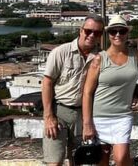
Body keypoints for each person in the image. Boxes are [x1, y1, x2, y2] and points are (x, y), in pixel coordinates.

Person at [42, 14, 104, 166]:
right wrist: (49, 116)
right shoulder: (61, 52)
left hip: (83, 114)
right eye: (88, 31)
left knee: (80, 159)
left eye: (97, 33)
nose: (91, 35)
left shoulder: (100, 57)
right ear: (80, 30)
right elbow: (47, 83)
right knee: (54, 160)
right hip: (60, 111)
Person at [82, 15, 138, 166]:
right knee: (102, 161)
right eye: (113, 31)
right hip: (99, 117)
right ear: (108, 35)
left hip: (122, 116)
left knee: (121, 159)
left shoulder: (136, 56)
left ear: (127, 33)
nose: (117, 35)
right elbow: (88, 92)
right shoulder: (99, 59)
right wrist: (87, 123)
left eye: (121, 31)